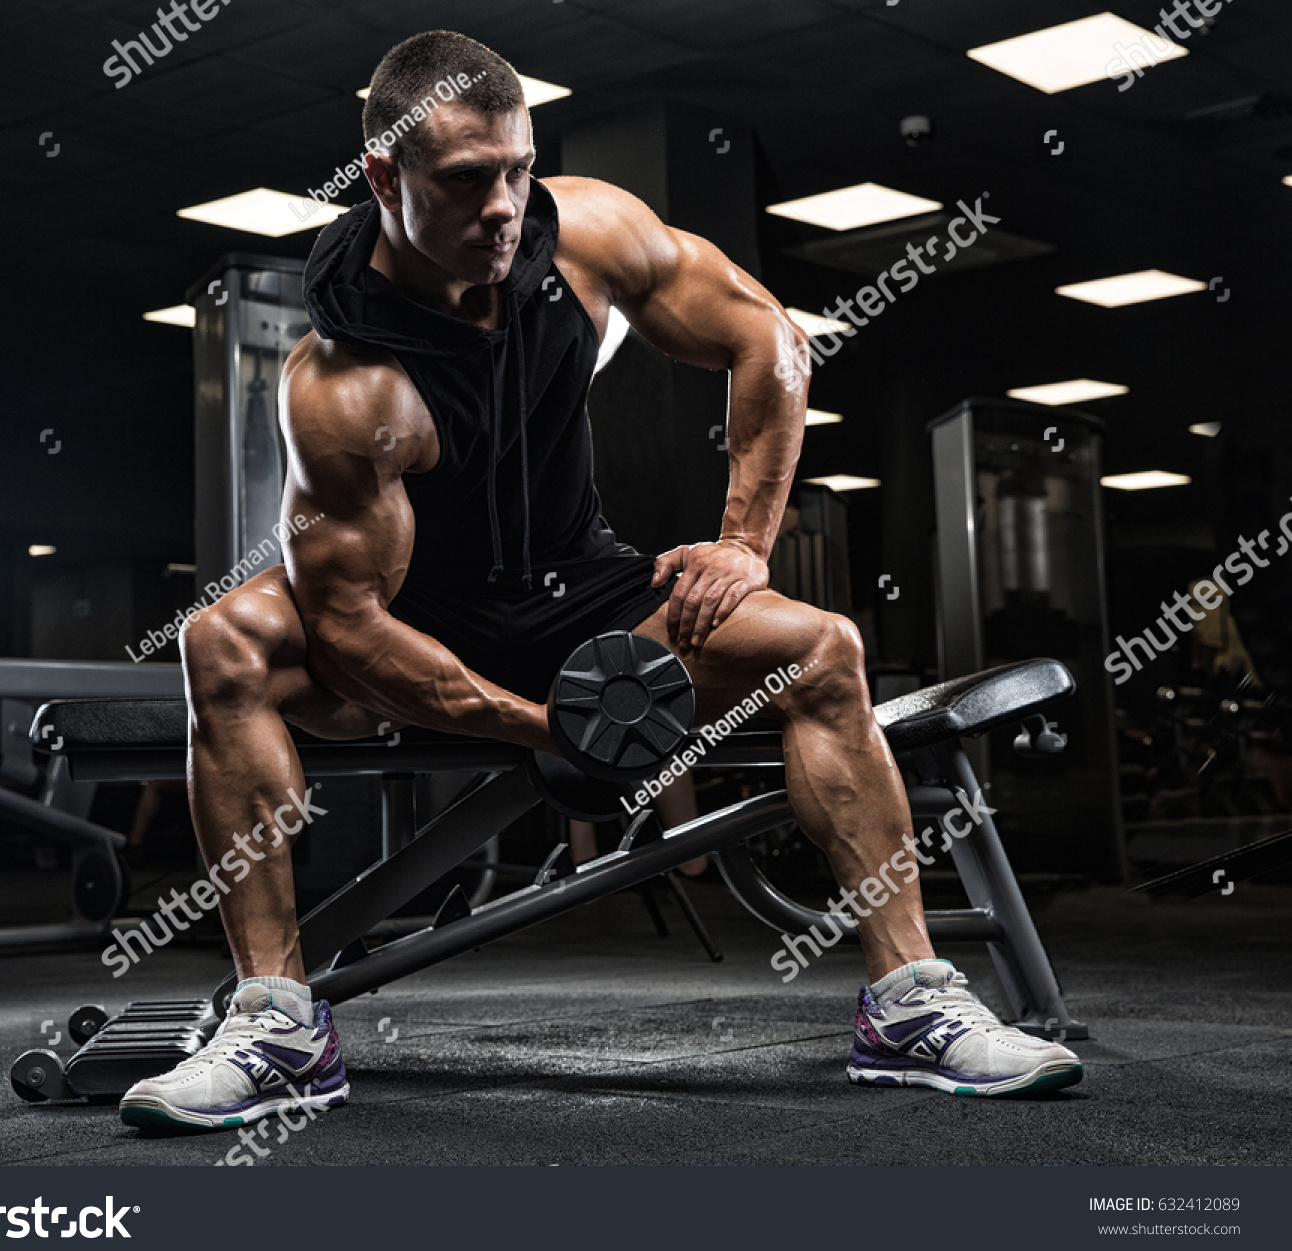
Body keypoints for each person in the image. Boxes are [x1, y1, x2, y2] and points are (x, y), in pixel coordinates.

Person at [119, 30, 1081, 1132]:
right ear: (382, 178)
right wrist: (551, 730)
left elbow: (769, 336)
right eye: (467, 181)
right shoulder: (345, 386)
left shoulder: (588, 237)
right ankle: (280, 1021)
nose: (504, 206)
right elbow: (348, 630)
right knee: (222, 640)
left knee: (824, 649)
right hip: (410, 616)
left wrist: (743, 546)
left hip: (582, 586)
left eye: (518, 169)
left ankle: (910, 1007)